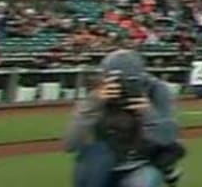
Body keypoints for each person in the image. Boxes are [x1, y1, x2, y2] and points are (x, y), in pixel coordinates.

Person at [64, 49, 185, 187]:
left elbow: (168, 138)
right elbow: (71, 144)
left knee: (143, 182)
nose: (123, 88)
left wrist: (149, 114)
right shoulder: (98, 95)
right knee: (96, 154)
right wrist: (93, 104)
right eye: (116, 82)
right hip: (101, 164)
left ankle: (165, 170)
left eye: (130, 81)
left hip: (141, 163)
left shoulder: (156, 91)